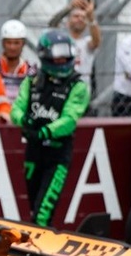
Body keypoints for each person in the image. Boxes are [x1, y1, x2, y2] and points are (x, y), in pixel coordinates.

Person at [11, 30, 90, 227]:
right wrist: (25, 121)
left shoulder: (78, 86)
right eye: (58, 55)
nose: (62, 59)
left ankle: (39, 251)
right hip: (33, 152)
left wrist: (45, 131)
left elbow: (70, 119)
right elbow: (16, 110)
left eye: (65, 55)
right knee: (28, 207)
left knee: (43, 213)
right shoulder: (31, 81)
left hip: (58, 155)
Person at [0, 19, 38, 92]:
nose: (12, 47)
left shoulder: (31, 69)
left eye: (16, 43)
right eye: (9, 42)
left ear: (23, 44)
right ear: (3, 43)